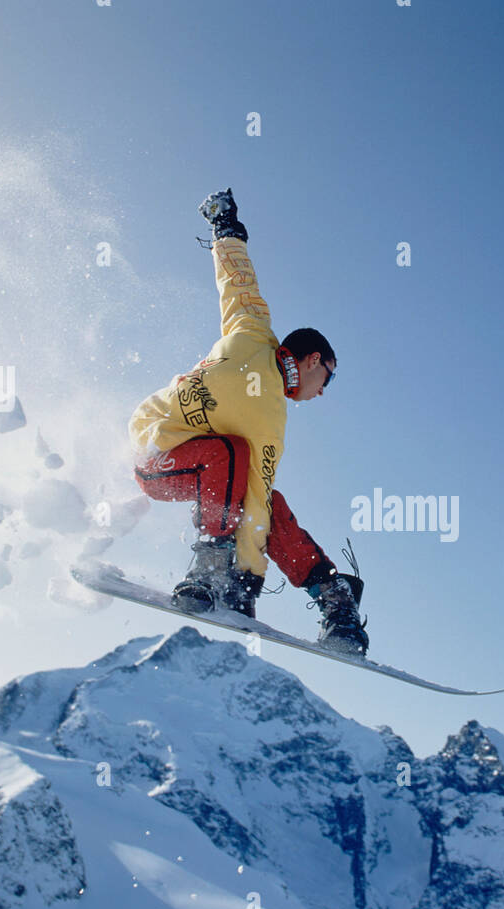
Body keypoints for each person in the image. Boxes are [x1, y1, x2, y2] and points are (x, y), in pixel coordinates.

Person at [127, 188, 369, 657]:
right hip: (153, 454)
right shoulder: (256, 340)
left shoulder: (261, 374)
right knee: (233, 458)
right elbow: (238, 282)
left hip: (205, 471)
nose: (322, 392)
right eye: (328, 379)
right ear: (314, 359)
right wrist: (225, 230)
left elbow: (257, 502)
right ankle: (213, 567)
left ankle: (332, 595)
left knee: (266, 498)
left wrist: (226, 227)